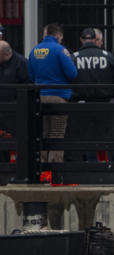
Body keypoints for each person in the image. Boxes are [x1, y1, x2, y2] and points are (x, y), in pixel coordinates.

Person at [27, 23, 78, 163]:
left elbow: (30, 75)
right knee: (57, 133)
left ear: (45, 34)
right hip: (58, 96)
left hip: (39, 97)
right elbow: (72, 73)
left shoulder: (34, 50)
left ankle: (42, 166)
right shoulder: (60, 50)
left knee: (43, 133)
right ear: (58, 35)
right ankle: (55, 167)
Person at [72, 27, 114, 161]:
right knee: (106, 136)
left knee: (86, 136)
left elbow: (69, 78)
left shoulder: (74, 57)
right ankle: (109, 163)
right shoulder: (107, 56)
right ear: (95, 40)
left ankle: (90, 163)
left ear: (81, 40)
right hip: (104, 103)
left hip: (82, 104)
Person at [0, 40, 29, 161]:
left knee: (18, 142)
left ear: (6, 54)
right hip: (2, 110)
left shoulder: (21, 63)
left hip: (15, 111)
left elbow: (27, 86)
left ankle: (17, 165)